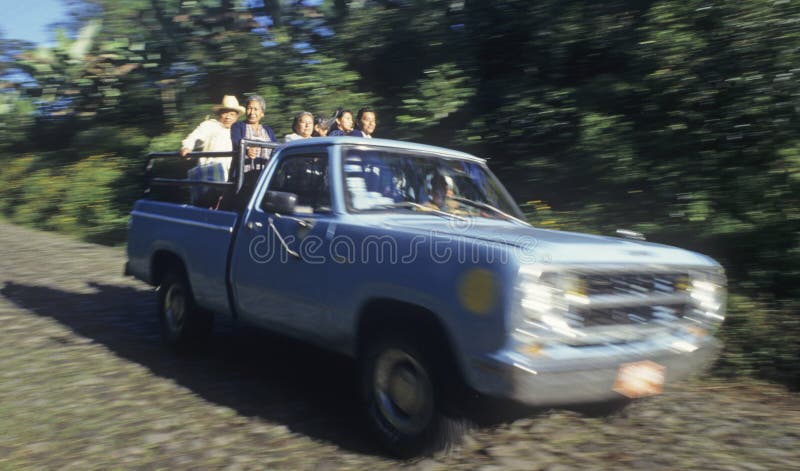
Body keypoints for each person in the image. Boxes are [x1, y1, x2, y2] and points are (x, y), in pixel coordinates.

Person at [179, 95, 244, 181]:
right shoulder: (210, 125)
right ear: (219, 114)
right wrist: (187, 147)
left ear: (236, 117)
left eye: (232, 114)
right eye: (225, 113)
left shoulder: (240, 131)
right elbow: (195, 137)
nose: (228, 117)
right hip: (210, 175)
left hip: (231, 177)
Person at [230, 95, 276, 178]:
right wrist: (246, 150)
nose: (252, 112)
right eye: (249, 108)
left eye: (256, 109)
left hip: (265, 176)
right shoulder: (238, 127)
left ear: (262, 113)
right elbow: (236, 143)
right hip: (243, 176)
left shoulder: (268, 131)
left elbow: (276, 148)